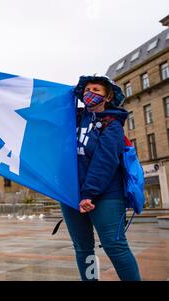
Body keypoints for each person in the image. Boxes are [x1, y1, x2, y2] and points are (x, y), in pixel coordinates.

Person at [60, 75, 141, 281]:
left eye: (97, 90)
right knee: (82, 249)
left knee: (115, 247)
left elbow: (105, 162)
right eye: (88, 89)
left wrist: (89, 194)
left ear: (107, 96)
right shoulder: (73, 120)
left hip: (106, 196)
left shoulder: (112, 124)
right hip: (71, 195)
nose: (91, 93)